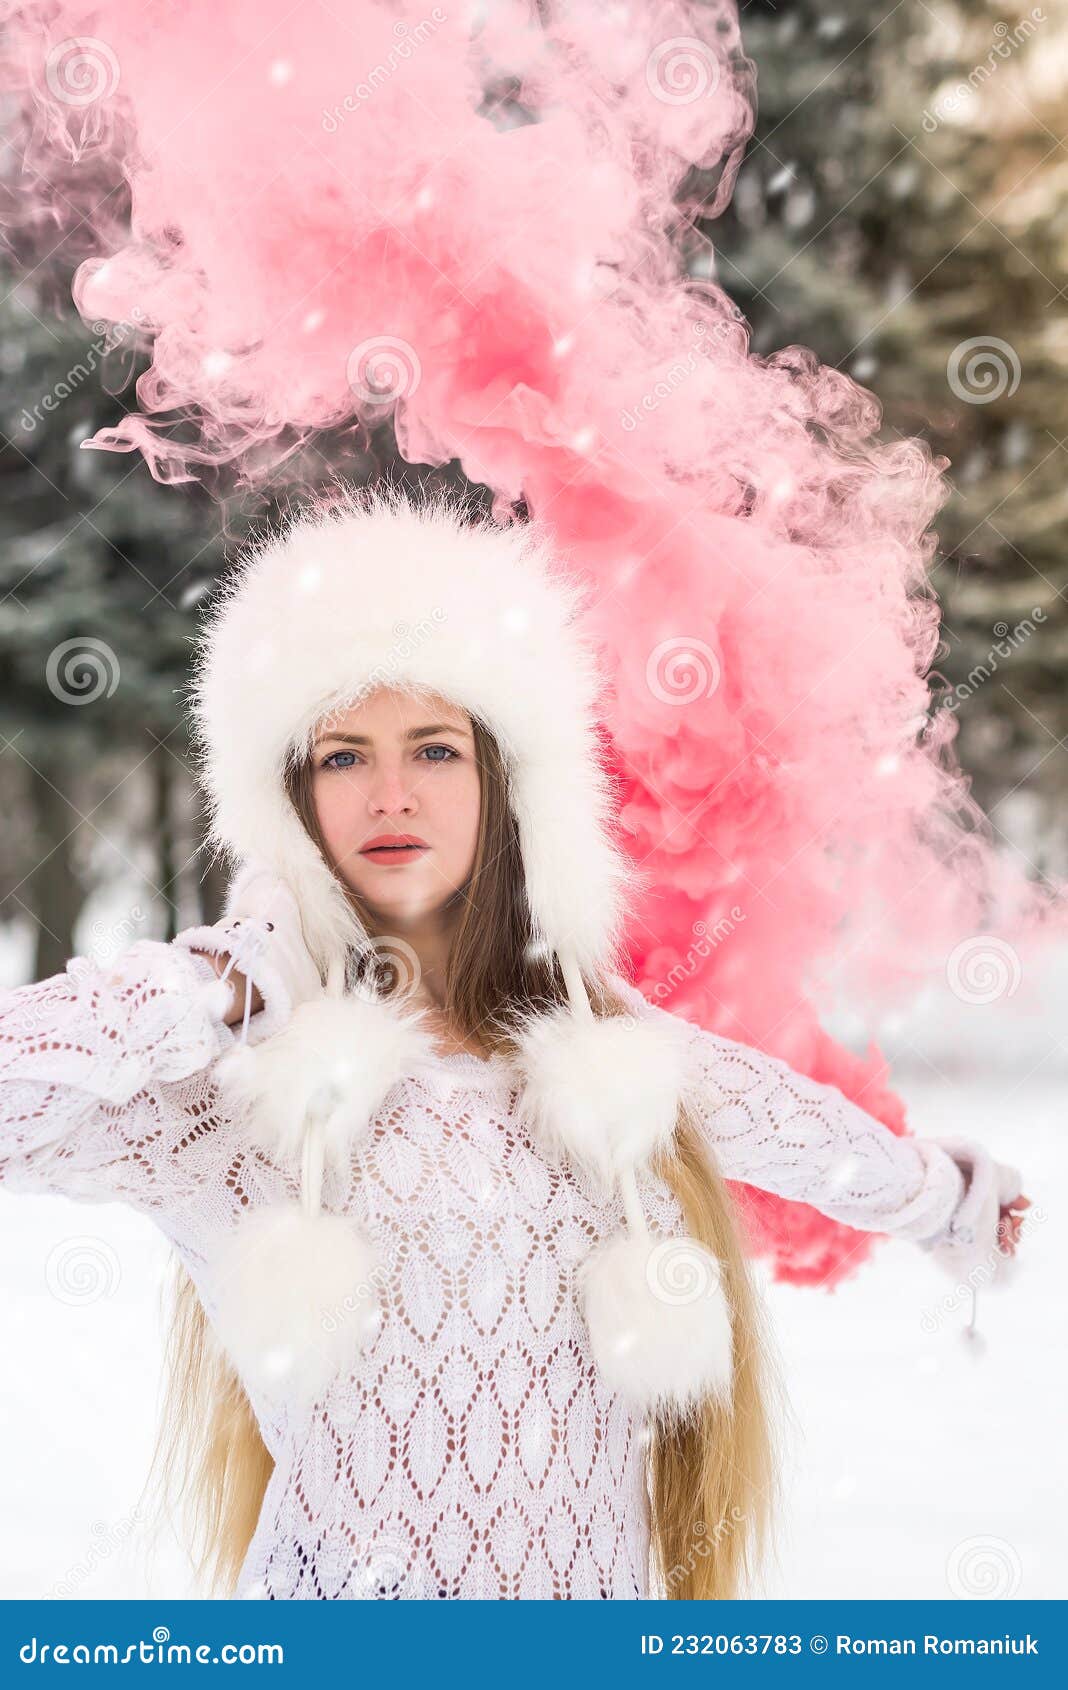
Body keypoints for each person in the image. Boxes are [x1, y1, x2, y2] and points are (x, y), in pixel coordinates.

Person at [0, 485, 1029, 1602]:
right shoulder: (232, 1088)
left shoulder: (599, 1054)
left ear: (507, 782)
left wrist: (946, 1198)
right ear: (289, 796)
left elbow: (800, 1133)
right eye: (342, 756)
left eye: (434, 749)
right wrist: (214, 983)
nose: (389, 793)